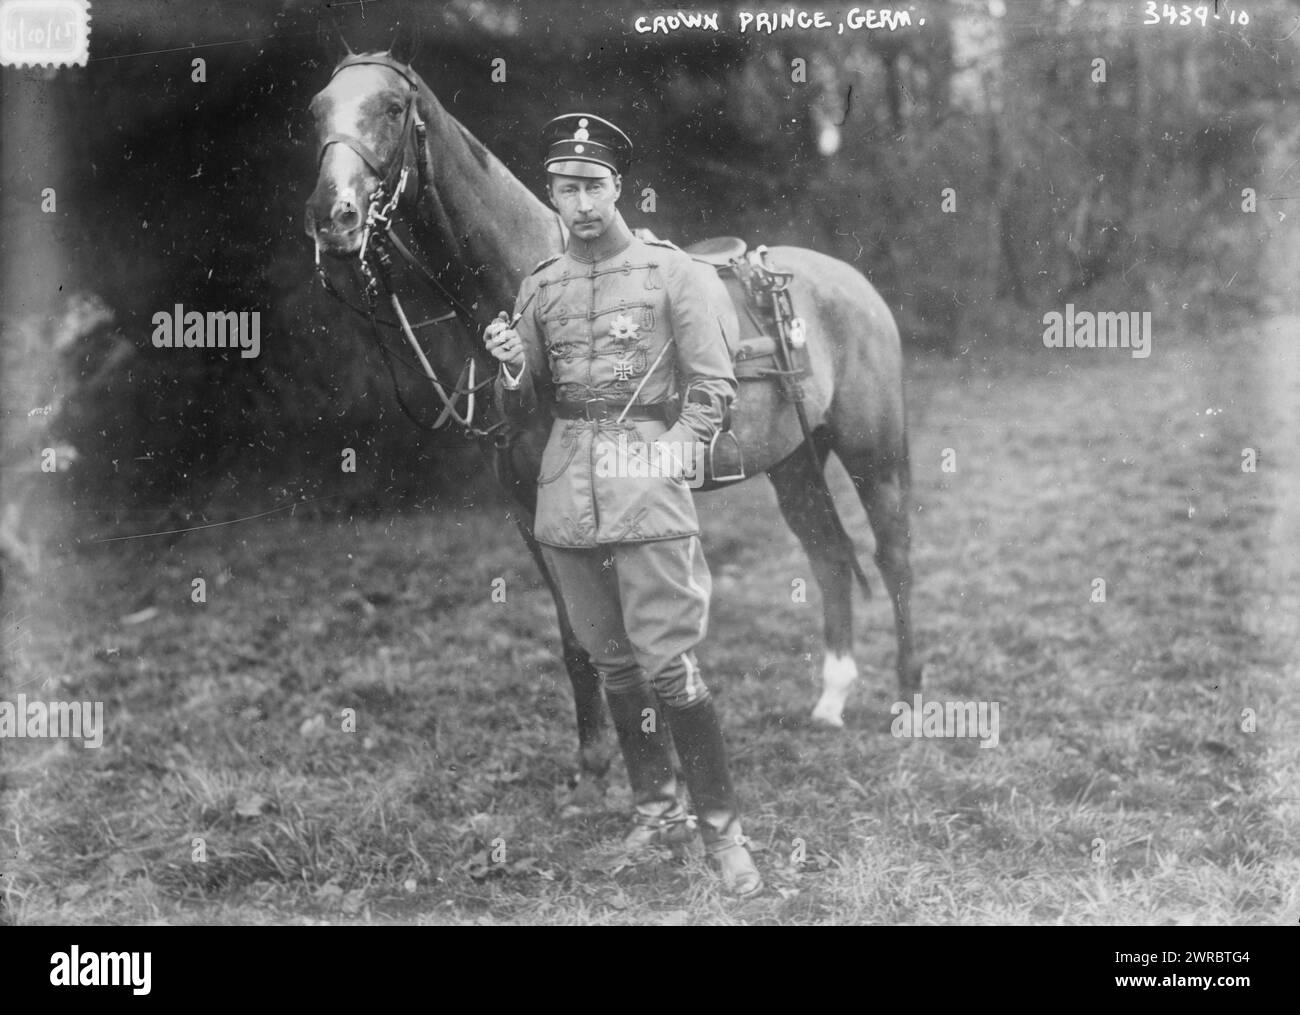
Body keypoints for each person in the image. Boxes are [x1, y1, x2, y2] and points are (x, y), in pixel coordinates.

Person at [484, 113, 761, 898]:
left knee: (668, 662)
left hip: (648, 484)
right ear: (552, 193)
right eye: (566, 189)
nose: (580, 203)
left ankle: (723, 832)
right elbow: (521, 414)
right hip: (568, 493)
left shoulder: (675, 276)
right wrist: (510, 371)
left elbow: (712, 389)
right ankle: (655, 809)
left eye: (594, 186)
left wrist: (672, 455)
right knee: (611, 661)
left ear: (619, 189)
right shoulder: (540, 287)